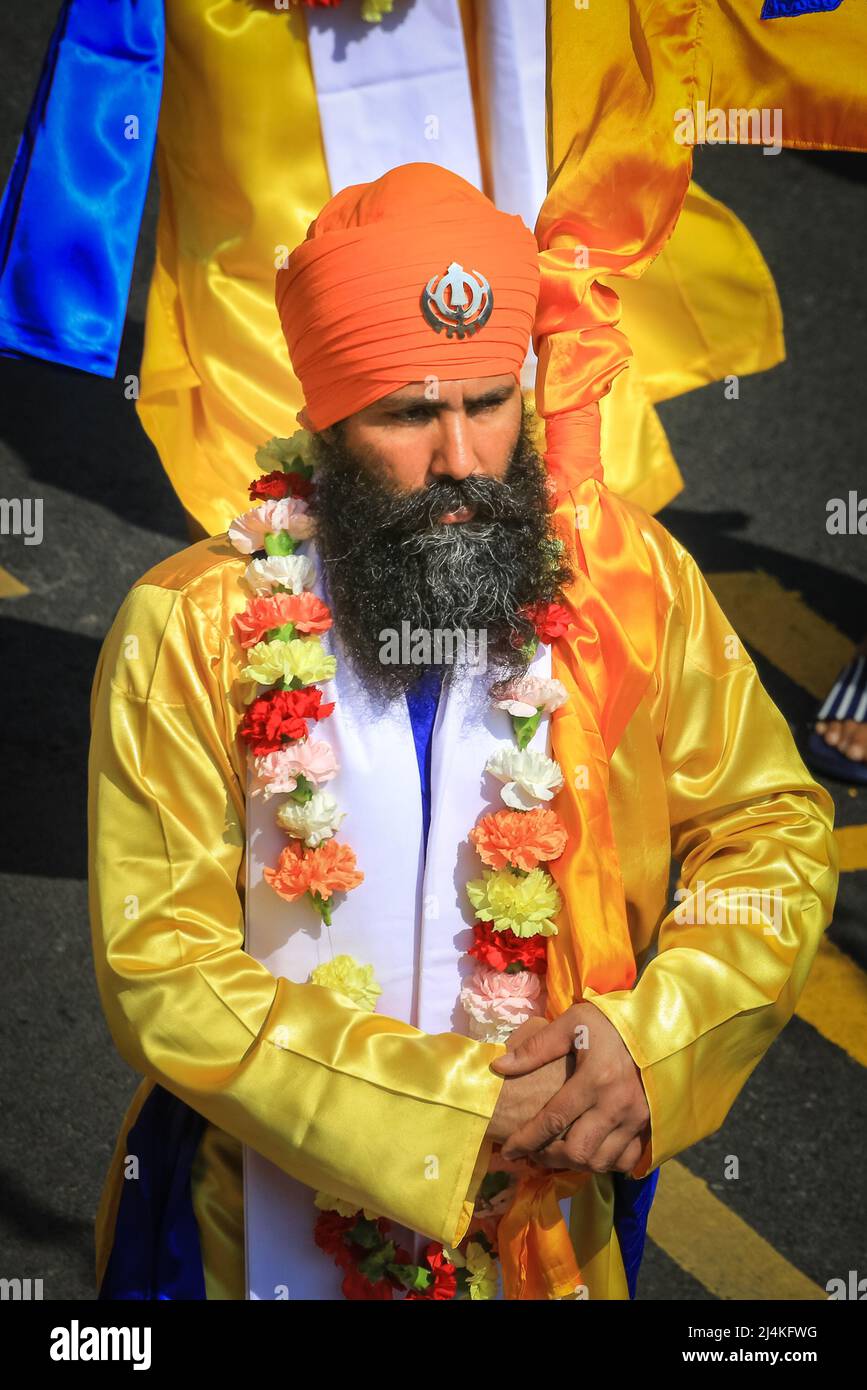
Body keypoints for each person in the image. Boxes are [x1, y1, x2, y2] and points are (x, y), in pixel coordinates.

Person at [88, 162, 839, 1302]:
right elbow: (163, 969)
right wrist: (446, 1112)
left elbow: (771, 826)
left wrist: (656, 1041)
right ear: (328, 420)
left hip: (550, 1225)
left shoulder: (626, 585)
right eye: (407, 412)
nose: (460, 461)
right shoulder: (192, 628)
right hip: (255, 1233)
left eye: (489, 402)